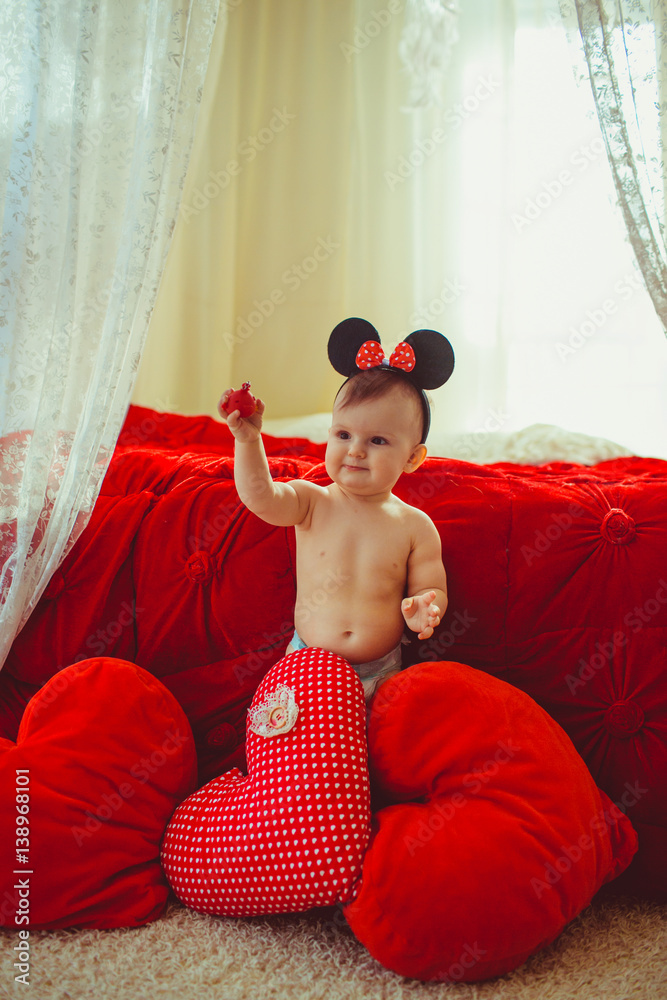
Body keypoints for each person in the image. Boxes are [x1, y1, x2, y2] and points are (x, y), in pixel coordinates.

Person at [219, 318, 455, 700]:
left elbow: (431, 586)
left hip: (381, 673)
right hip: (306, 662)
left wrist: (425, 608)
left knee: (379, 751)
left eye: (377, 440)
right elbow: (259, 496)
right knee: (293, 748)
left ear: (412, 458)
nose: (356, 450)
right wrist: (248, 441)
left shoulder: (416, 526)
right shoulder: (312, 501)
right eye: (344, 434)